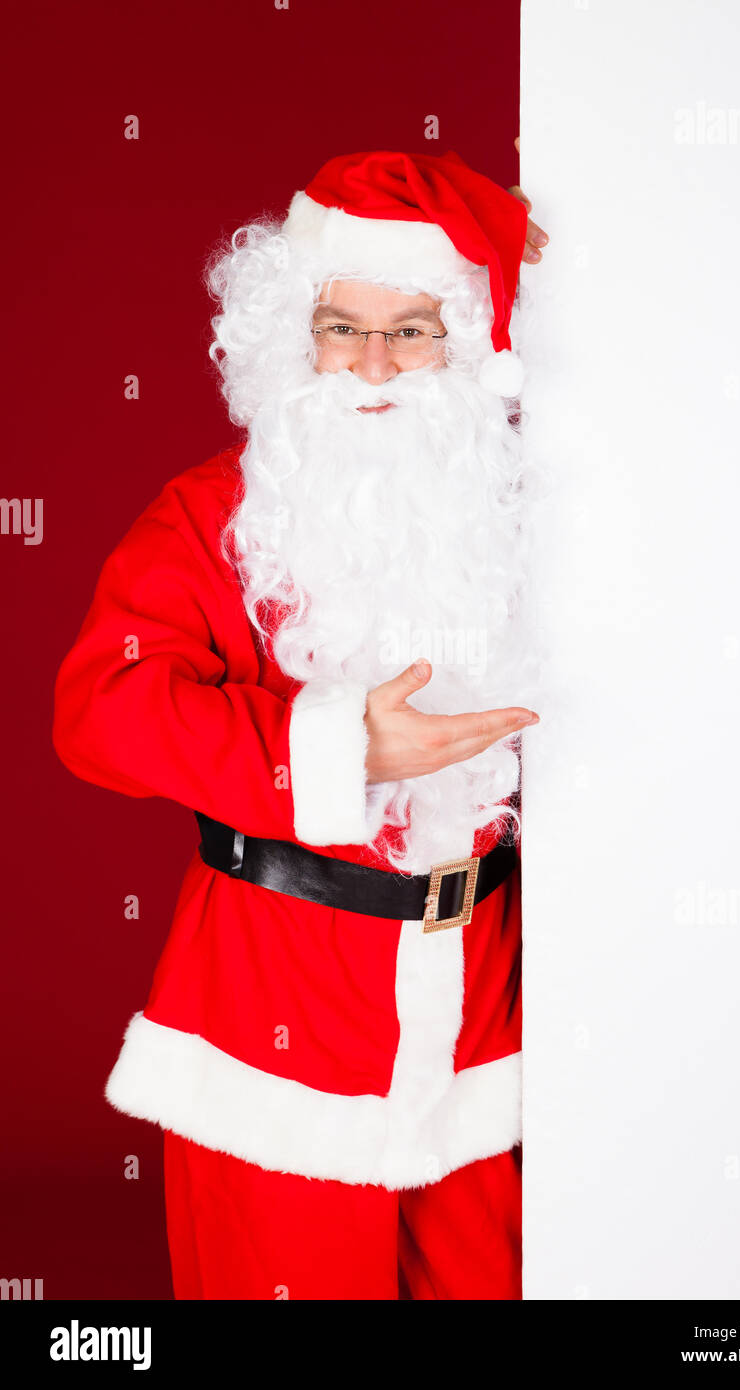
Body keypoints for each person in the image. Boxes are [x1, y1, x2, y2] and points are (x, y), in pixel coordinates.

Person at [52, 146, 549, 1301]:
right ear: (294, 339)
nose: (373, 364)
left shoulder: (524, 518)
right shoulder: (215, 513)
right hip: (269, 1026)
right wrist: (334, 748)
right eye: (341, 328)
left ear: (465, 348)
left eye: (413, 331)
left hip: (480, 1021)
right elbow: (97, 713)